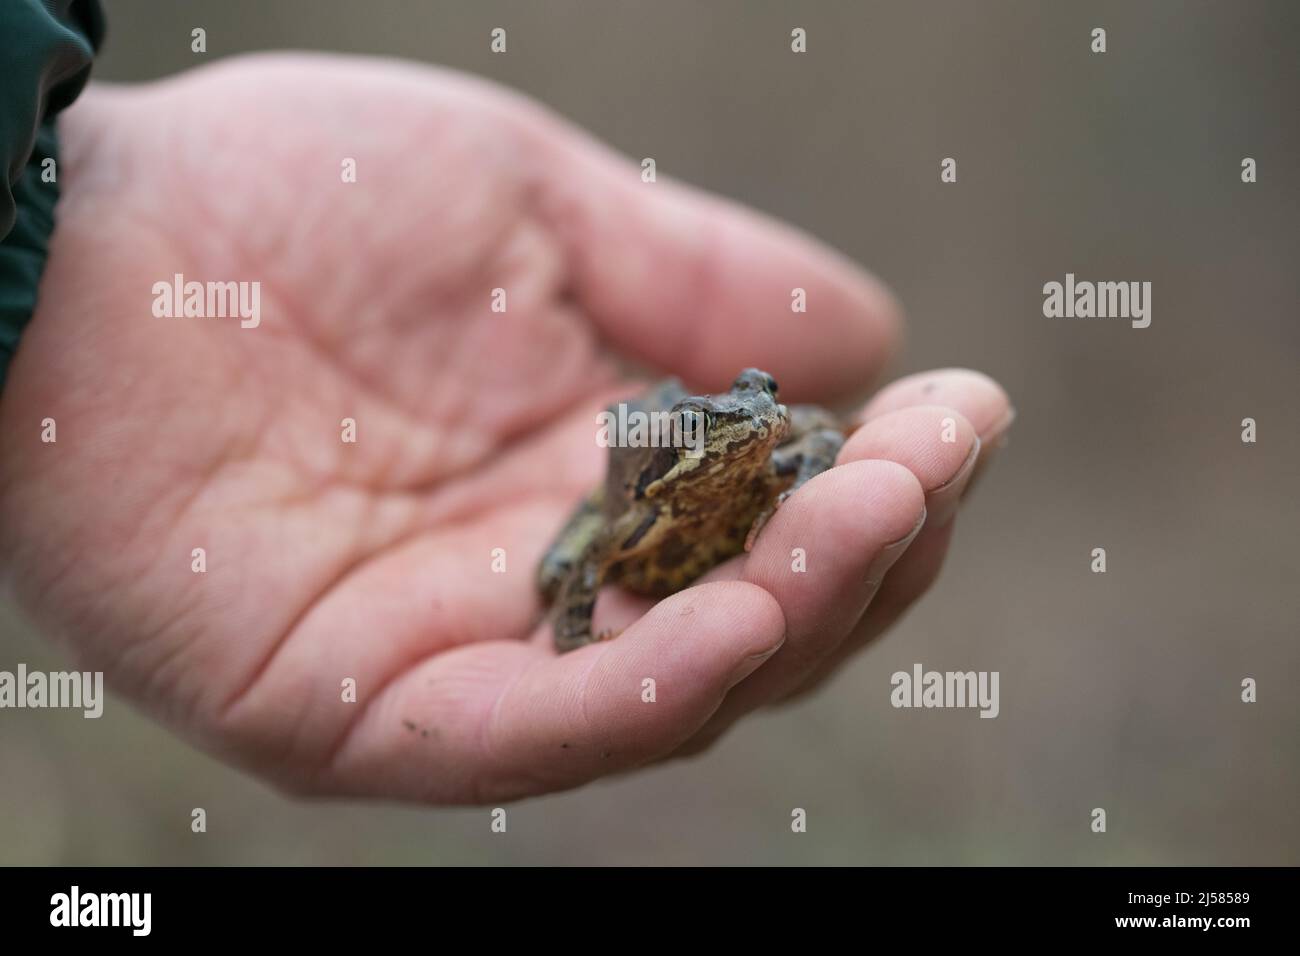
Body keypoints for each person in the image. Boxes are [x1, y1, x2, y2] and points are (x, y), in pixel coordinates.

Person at [0, 4, 1012, 804]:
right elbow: (581, 560)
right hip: (637, 506)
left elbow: (802, 436)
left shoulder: (757, 446)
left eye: (754, 411)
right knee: (559, 554)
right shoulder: (650, 495)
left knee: (837, 461)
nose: (748, 424)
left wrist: (71, 168)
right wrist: (577, 633)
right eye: (720, 420)